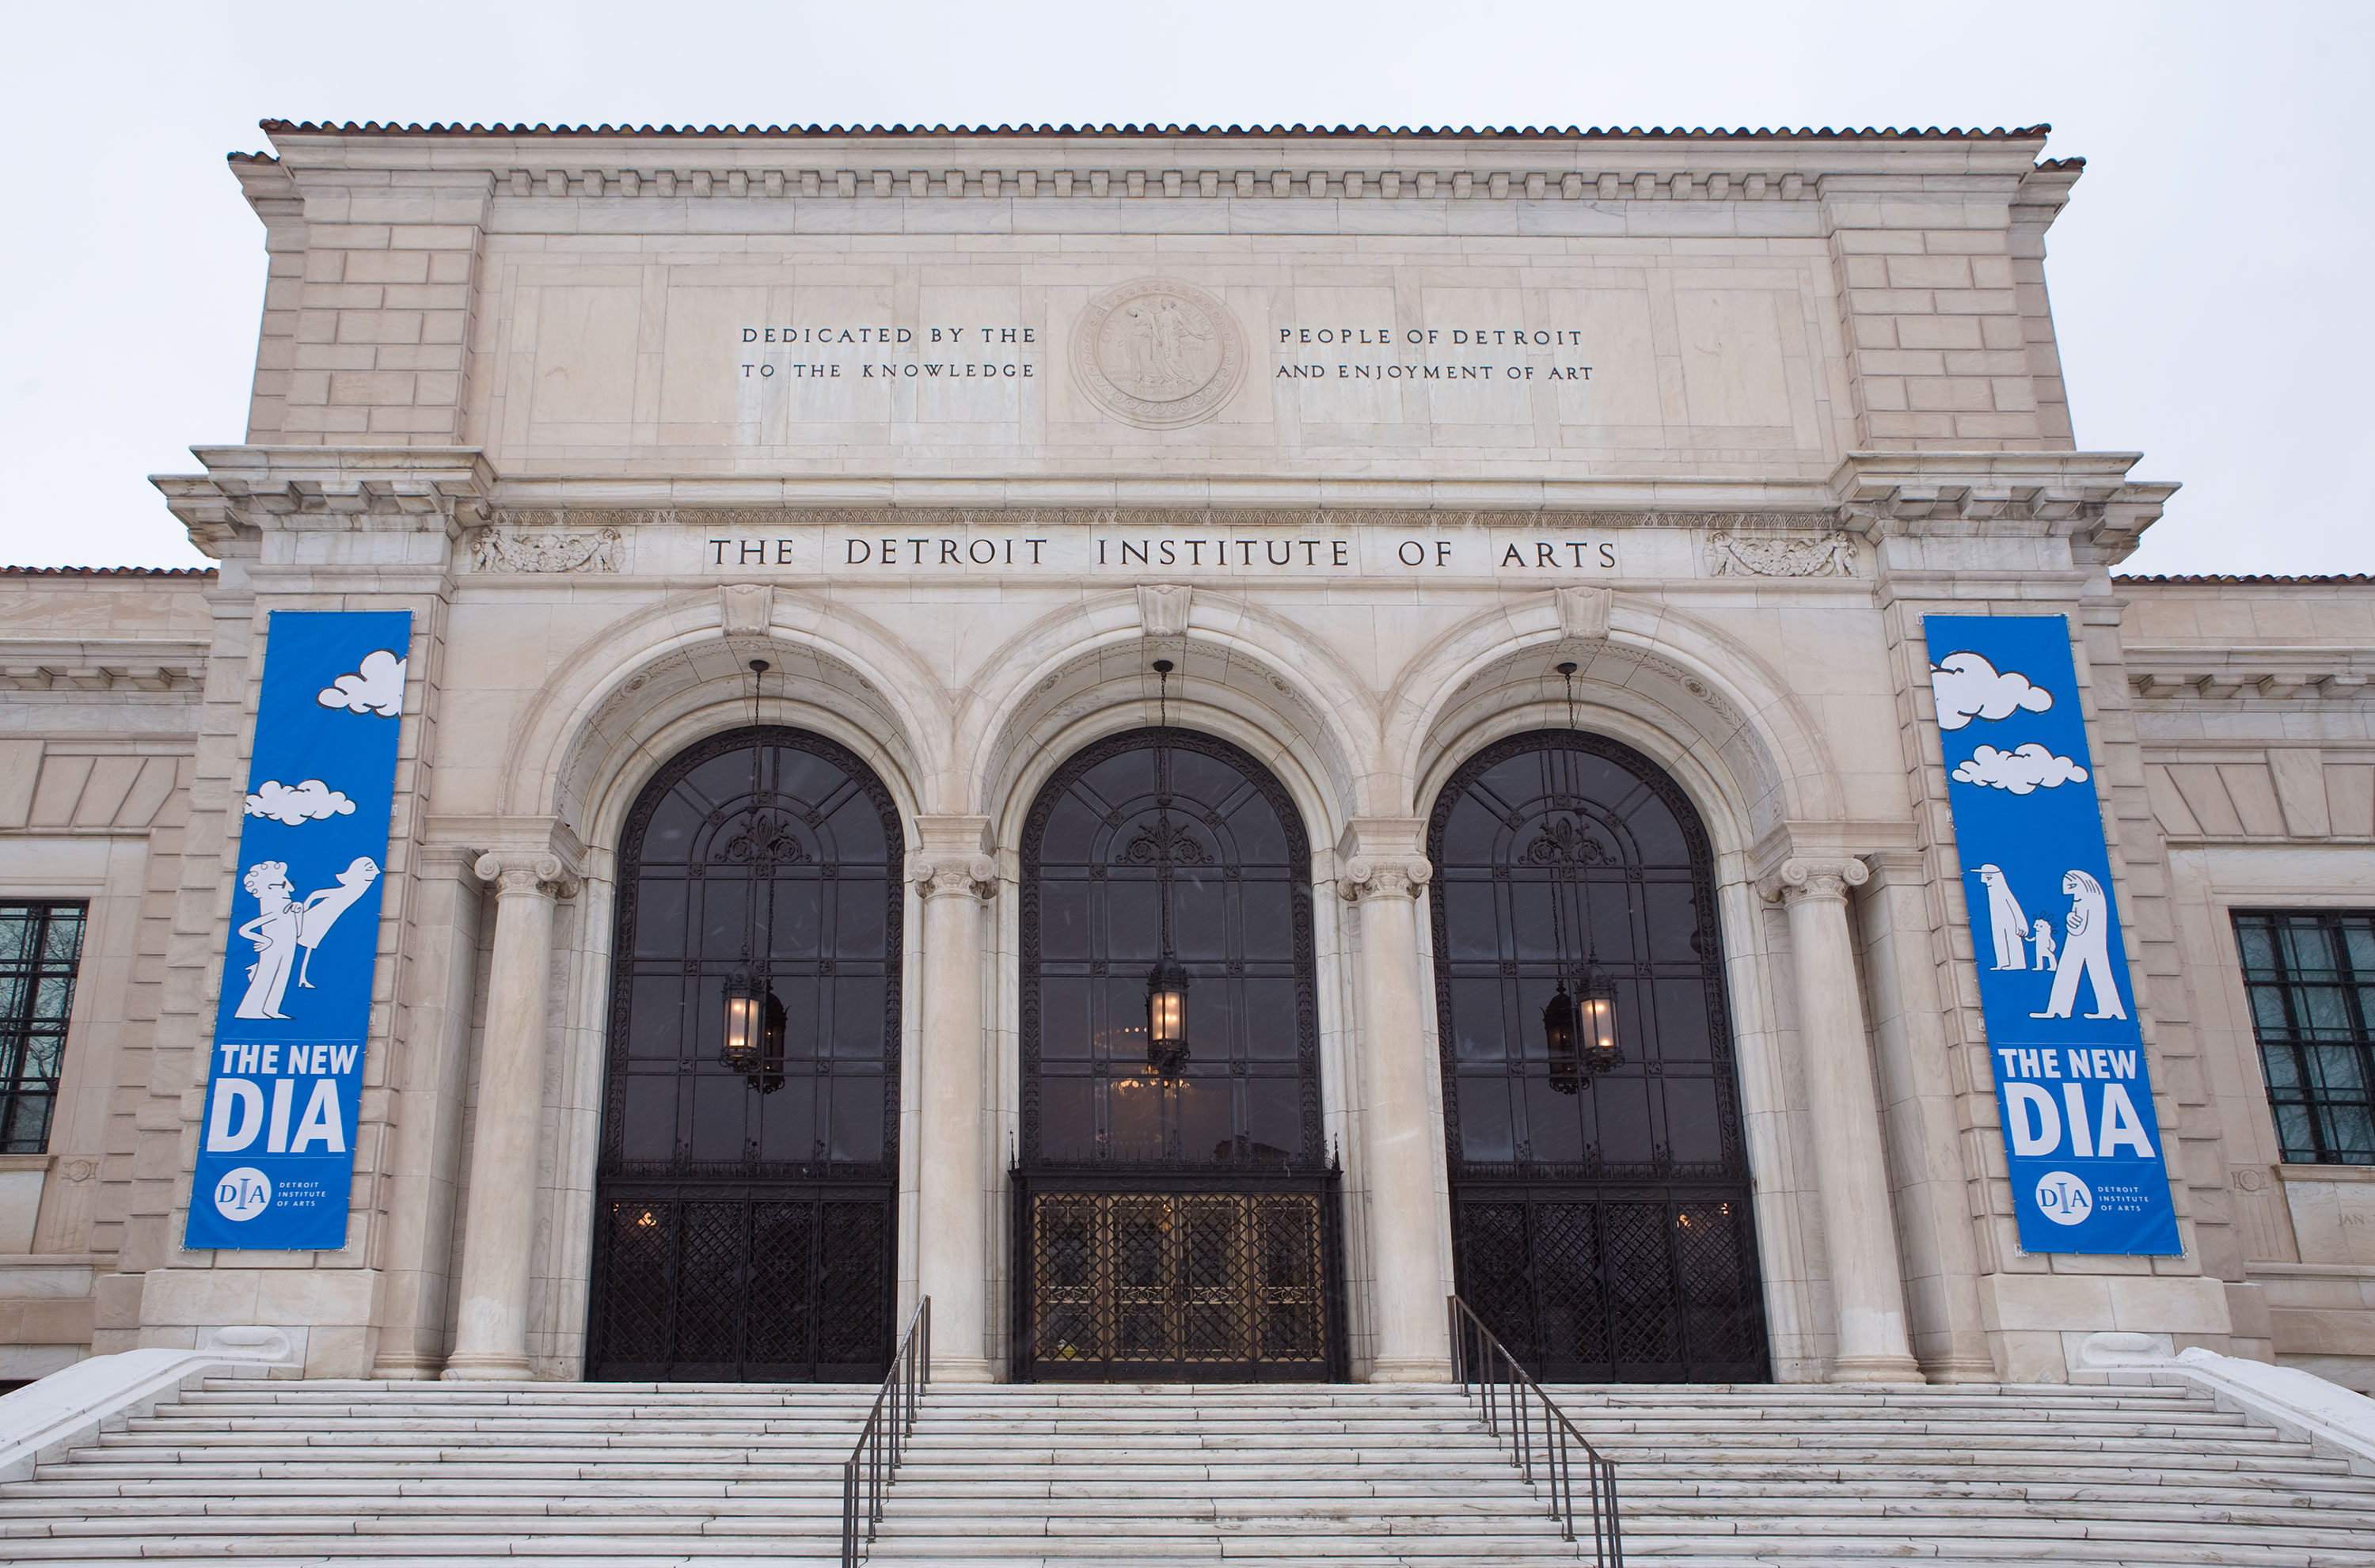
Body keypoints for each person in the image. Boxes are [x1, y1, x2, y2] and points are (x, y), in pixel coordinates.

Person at [2032, 869, 2126, 1020]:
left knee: (2087, 973)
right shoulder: (2086, 900)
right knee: (2077, 973)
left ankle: (2061, 1010)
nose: (2067, 888)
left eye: (2071, 884)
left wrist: (2070, 920)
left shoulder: (2089, 901)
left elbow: (2079, 927)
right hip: (2081, 942)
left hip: (2084, 942)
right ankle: (2059, 1009)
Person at [234, 862, 301, 1019]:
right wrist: (264, 940)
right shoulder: (274, 909)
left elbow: (300, 933)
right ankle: (251, 1010)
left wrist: (298, 911)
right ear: (269, 888)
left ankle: (272, 1009)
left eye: (289, 884)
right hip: (274, 946)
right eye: (283, 885)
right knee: (267, 975)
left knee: (283, 975)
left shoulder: (287, 909)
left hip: (288, 946)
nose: (290, 889)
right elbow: (245, 929)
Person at [1971, 864, 2030, 970]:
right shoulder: (1991, 892)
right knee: (1999, 940)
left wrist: (2021, 925)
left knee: (2012, 940)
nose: (1984, 879)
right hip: (1997, 921)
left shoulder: (2004, 892)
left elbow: (2015, 909)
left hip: (2010, 922)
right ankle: (2002, 963)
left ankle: (2017, 963)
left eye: (1986, 876)